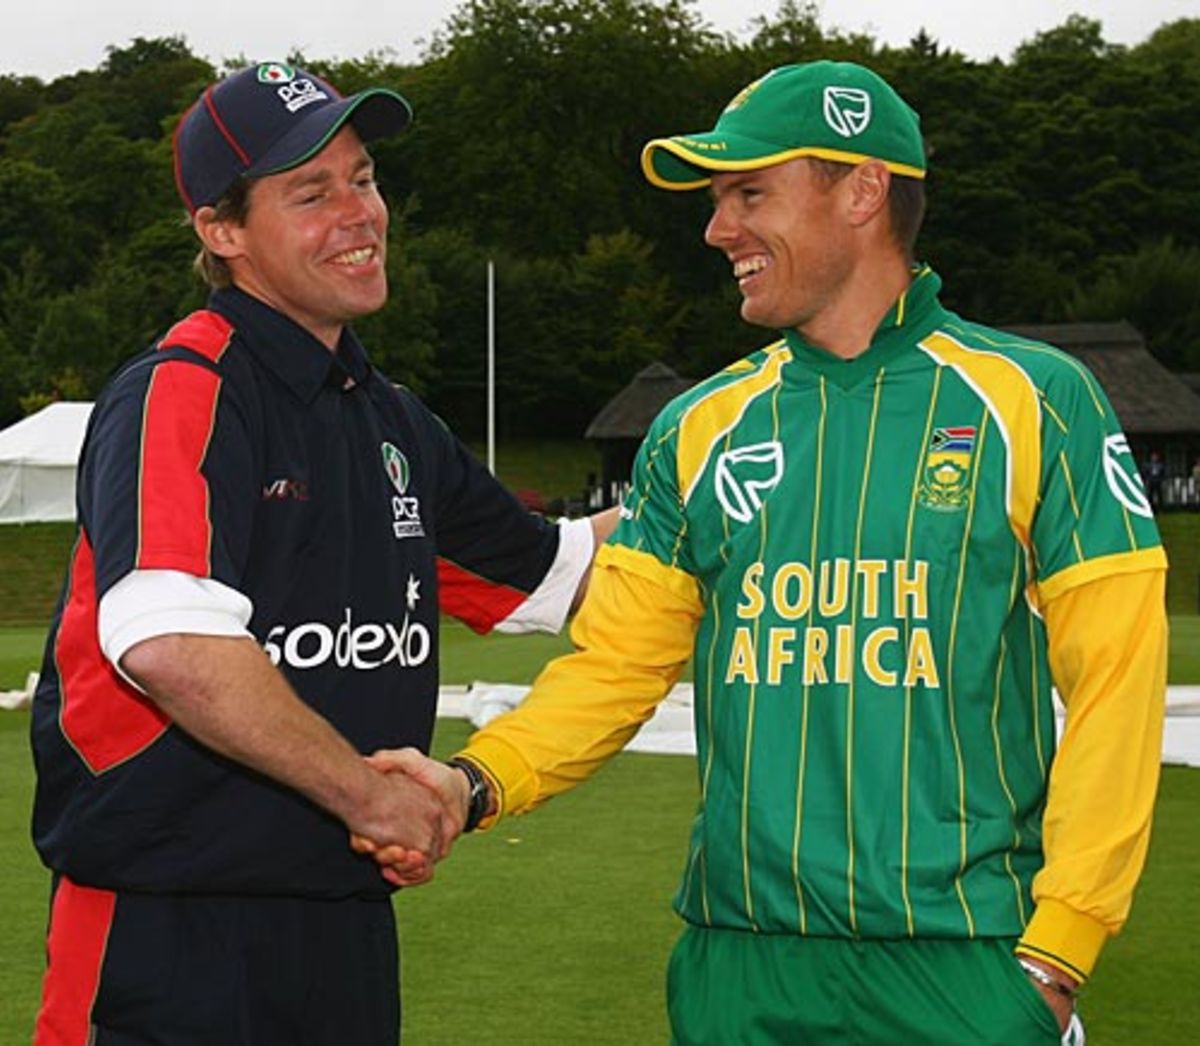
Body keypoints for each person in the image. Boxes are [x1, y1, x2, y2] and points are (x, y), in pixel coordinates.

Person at [368, 61, 1168, 1044]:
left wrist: (1059, 949)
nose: (718, 229)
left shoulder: (1033, 399)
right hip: (739, 964)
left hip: (962, 961)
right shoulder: (697, 428)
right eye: (716, 201)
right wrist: (475, 779)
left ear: (862, 189)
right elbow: (616, 668)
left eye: (749, 193)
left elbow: (1119, 682)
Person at [29, 61, 614, 1045]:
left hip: (340, 924)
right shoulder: (186, 385)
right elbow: (169, 639)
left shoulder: (392, 420)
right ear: (222, 230)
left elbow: (570, 572)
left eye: (365, 177)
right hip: (167, 927)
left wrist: (736, 481)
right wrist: (368, 792)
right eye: (312, 192)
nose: (359, 212)